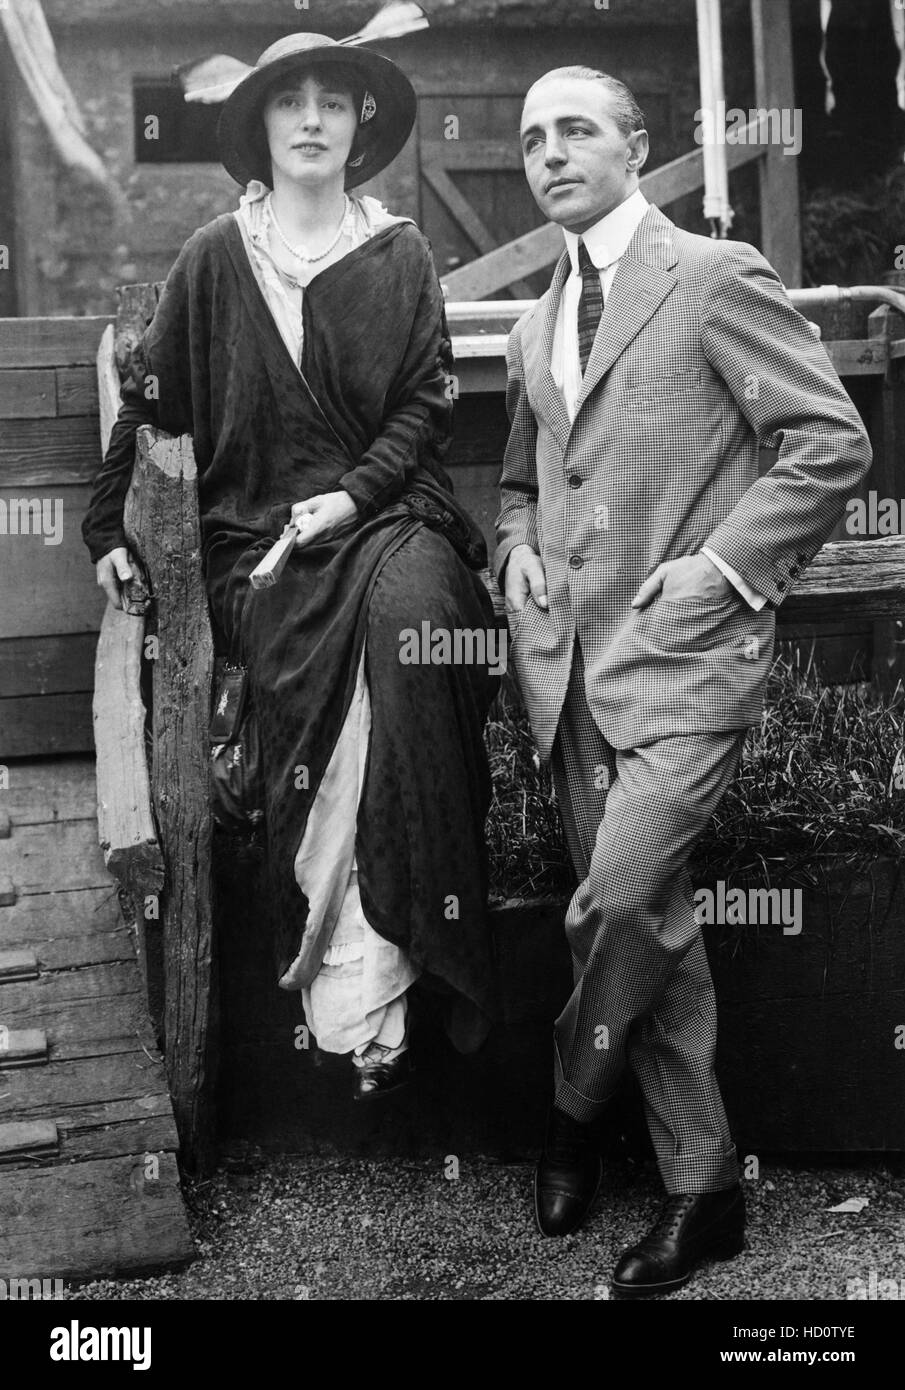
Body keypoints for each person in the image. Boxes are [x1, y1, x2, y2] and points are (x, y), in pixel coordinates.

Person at [496, 66, 872, 1295]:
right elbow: (514, 483)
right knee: (653, 919)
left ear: (635, 147)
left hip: (682, 662)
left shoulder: (709, 275)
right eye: (530, 138)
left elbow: (827, 441)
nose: (549, 153)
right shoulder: (531, 317)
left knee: (613, 898)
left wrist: (724, 564)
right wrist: (510, 552)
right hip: (566, 678)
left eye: (575, 131)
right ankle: (702, 1190)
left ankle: (568, 1104)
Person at [83, 31, 500, 1101]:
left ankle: (405, 968)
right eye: (289, 104)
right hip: (260, 543)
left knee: (413, 626)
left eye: (334, 101)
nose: (312, 119)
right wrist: (103, 533)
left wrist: (354, 496)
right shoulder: (217, 256)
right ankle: (342, 994)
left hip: (387, 514)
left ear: (361, 125)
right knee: (314, 663)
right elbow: (150, 402)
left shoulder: (402, 253)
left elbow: (426, 405)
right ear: (261, 128)